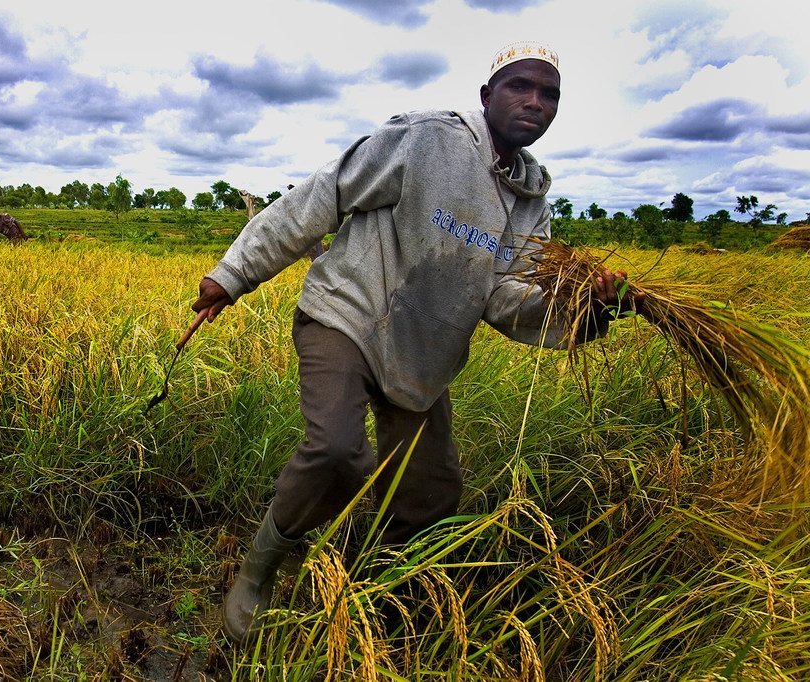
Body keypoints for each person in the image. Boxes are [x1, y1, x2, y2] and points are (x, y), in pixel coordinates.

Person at [190, 41, 643, 646]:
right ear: (487, 96)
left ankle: (387, 593)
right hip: (347, 316)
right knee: (336, 448)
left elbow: (506, 302)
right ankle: (260, 568)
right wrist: (234, 273)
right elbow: (323, 194)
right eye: (519, 86)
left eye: (549, 93)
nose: (535, 101)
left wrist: (585, 308)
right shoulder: (426, 140)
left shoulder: (531, 207)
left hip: (423, 351)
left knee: (430, 488)